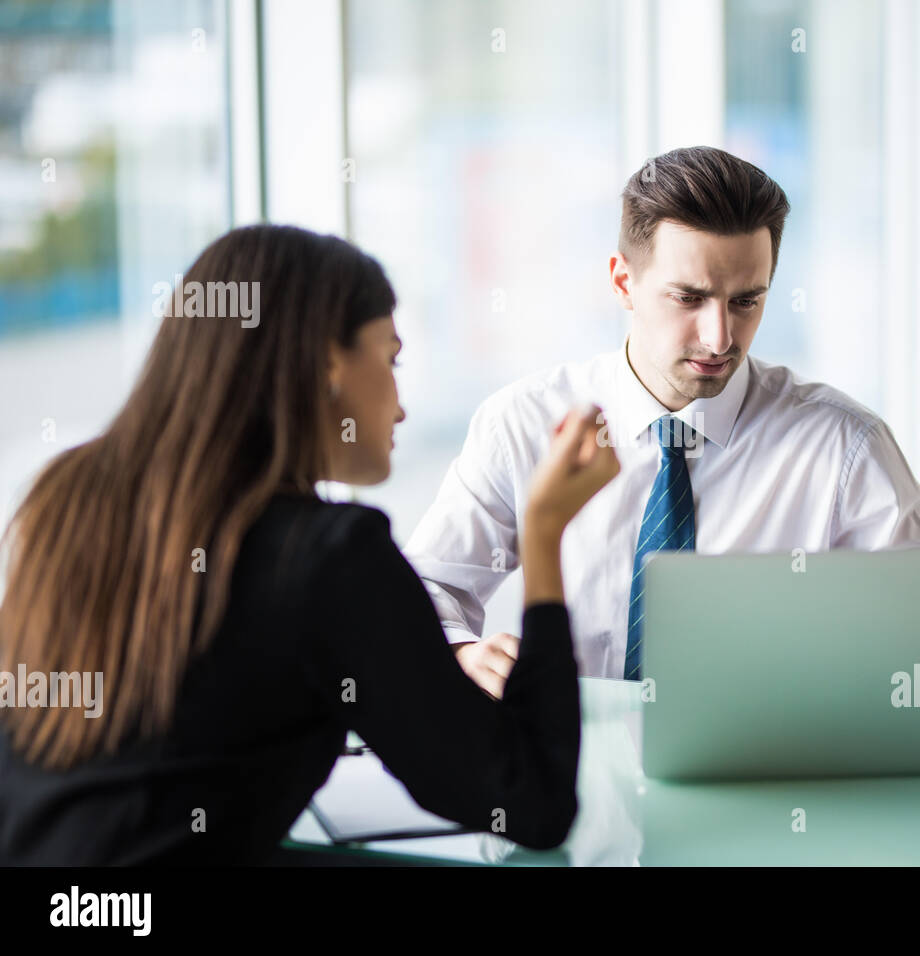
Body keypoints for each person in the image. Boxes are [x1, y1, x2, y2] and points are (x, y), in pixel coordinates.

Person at [0, 224, 618, 864]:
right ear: (329, 363)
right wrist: (543, 534)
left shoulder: (66, 496)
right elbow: (533, 803)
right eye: (390, 358)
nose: (401, 406)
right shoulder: (331, 556)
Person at [404, 146, 920, 691]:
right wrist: (462, 653)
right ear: (623, 283)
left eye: (746, 301)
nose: (719, 338)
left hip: (769, 764)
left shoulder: (844, 446)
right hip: (575, 762)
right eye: (689, 298)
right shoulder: (521, 425)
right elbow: (426, 584)